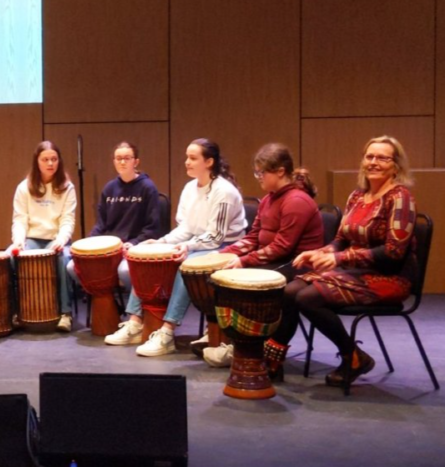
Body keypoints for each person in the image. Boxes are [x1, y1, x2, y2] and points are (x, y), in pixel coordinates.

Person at [264, 136, 418, 387]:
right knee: (290, 290)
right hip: (354, 271)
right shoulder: (357, 196)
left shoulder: (400, 198)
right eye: (369, 156)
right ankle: (274, 359)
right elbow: (340, 240)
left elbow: (393, 252)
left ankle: (352, 356)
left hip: (389, 277)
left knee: (307, 297)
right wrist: (322, 253)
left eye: (382, 158)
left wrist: (338, 258)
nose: (374, 162)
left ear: (396, 165)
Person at [105, 138, 247, 357]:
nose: (187, 162)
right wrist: (161, 243)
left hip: (226, 247)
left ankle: (167, 332)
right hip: (199, 243)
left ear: (209, 162)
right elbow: (186, 228)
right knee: (150, 257)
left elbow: (215, 236)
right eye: (187, 157)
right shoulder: (190, 188)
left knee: (185, 265)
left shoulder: (224, 191)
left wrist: (186, 247)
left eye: (193, 158)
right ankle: (134, 322)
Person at [200, 143, 324, 367]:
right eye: (256, 172)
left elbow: (282, 248)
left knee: (243, 282)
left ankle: (254, 349)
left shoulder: (296, 201)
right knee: (225, 274)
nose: (258, 177)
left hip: (297, 265)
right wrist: (225, 254)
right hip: (277, 261)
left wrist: (244, 261)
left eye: (261, 172)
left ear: (280, 171)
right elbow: (253, 237)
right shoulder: (268, 199)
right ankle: (239, 343)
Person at [67, 141, 162, 290]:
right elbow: (101, 224)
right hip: (110, 249)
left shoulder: (147, 187)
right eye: (118, 158)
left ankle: (136, 308)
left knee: (124, 271)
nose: (122, 162)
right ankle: (107, 302)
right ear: (114, 161)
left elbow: (153, 226)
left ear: (136, 162)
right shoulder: (109, 188)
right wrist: (88, 245)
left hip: (133, 247)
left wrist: (134, 243)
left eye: (127, 158)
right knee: (73, 267)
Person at [9, 141, 77, 332]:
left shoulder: (67, 187)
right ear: (37, 162)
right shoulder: (24, 187)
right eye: (45, 159)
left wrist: (60, 241)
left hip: (56, 239)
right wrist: (18, 241)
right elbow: (20, 219)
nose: (50, 164)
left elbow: (67, 220)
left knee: (62, 259)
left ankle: (65, 313)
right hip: (31, 239)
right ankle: (16, 312)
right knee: (8, 259)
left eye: (54, 159)